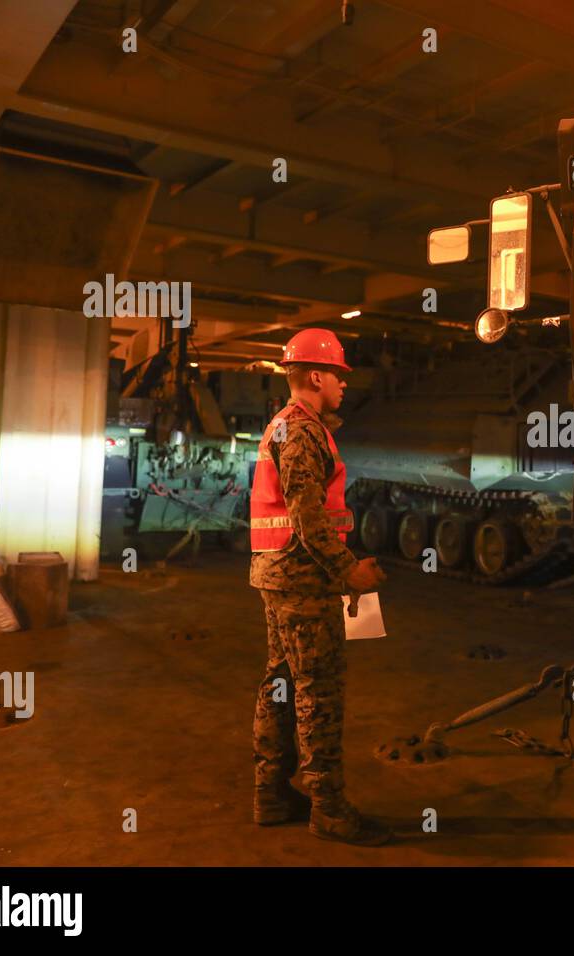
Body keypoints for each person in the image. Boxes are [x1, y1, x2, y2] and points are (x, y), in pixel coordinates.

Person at [249, 328, 391, 846]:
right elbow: (308, 513)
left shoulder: (282, 427)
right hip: (304, 582)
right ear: (315, 375)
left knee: (280, 686)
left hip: (279, 576)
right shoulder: (302, 430)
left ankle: (270, 793)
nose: (343, 385)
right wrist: (347, 569)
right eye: (338, 375)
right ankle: (328, 807)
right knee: (319, 693)